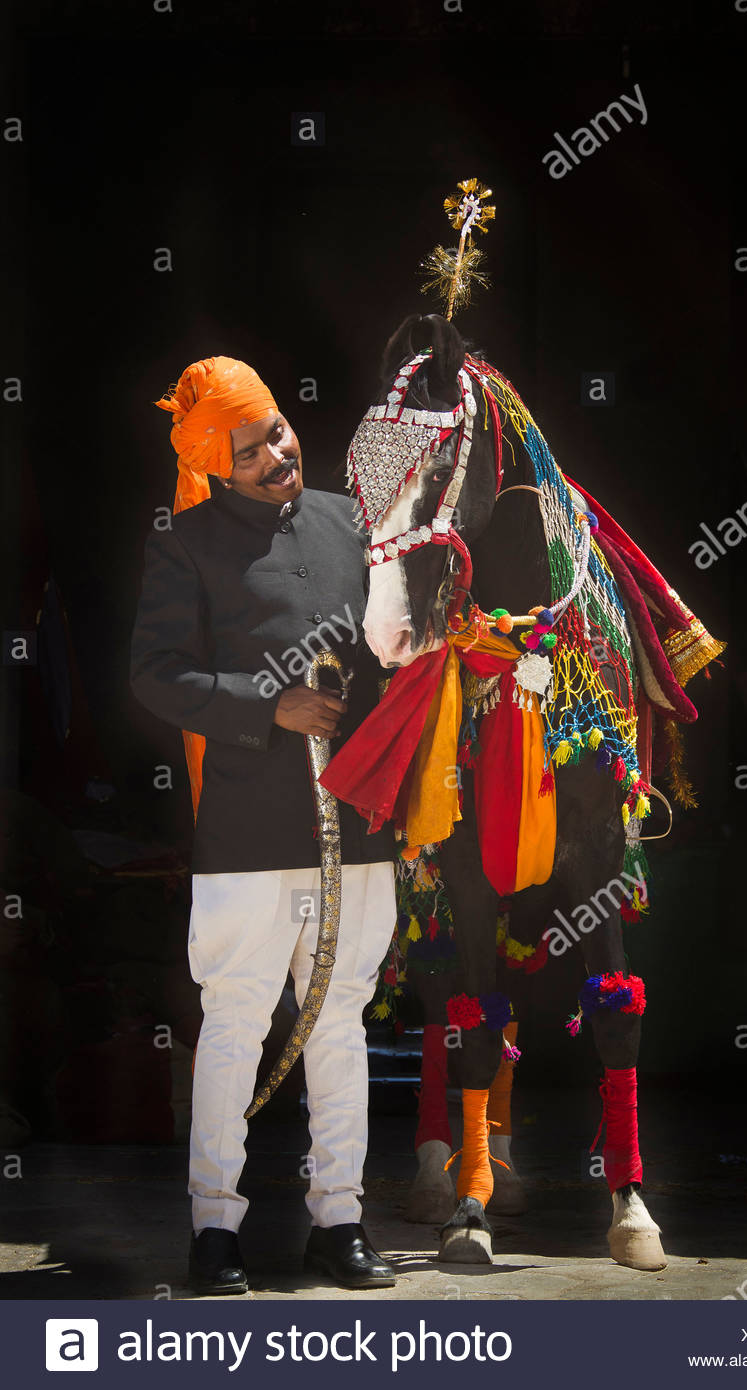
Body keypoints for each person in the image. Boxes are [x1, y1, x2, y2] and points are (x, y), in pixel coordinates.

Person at [130, 355, 398, 1294]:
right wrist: (264, 705)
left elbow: (400, 644)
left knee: (340, 1026)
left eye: (277, 432)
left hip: (357, 827)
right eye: (249, 453)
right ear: (215, 466)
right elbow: (156, 675)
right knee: (236, 1025)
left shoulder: (350, 522)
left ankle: (342, 1223)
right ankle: (214, 1231)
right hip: (246, 835)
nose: (276, 456)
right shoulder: (187, 541)